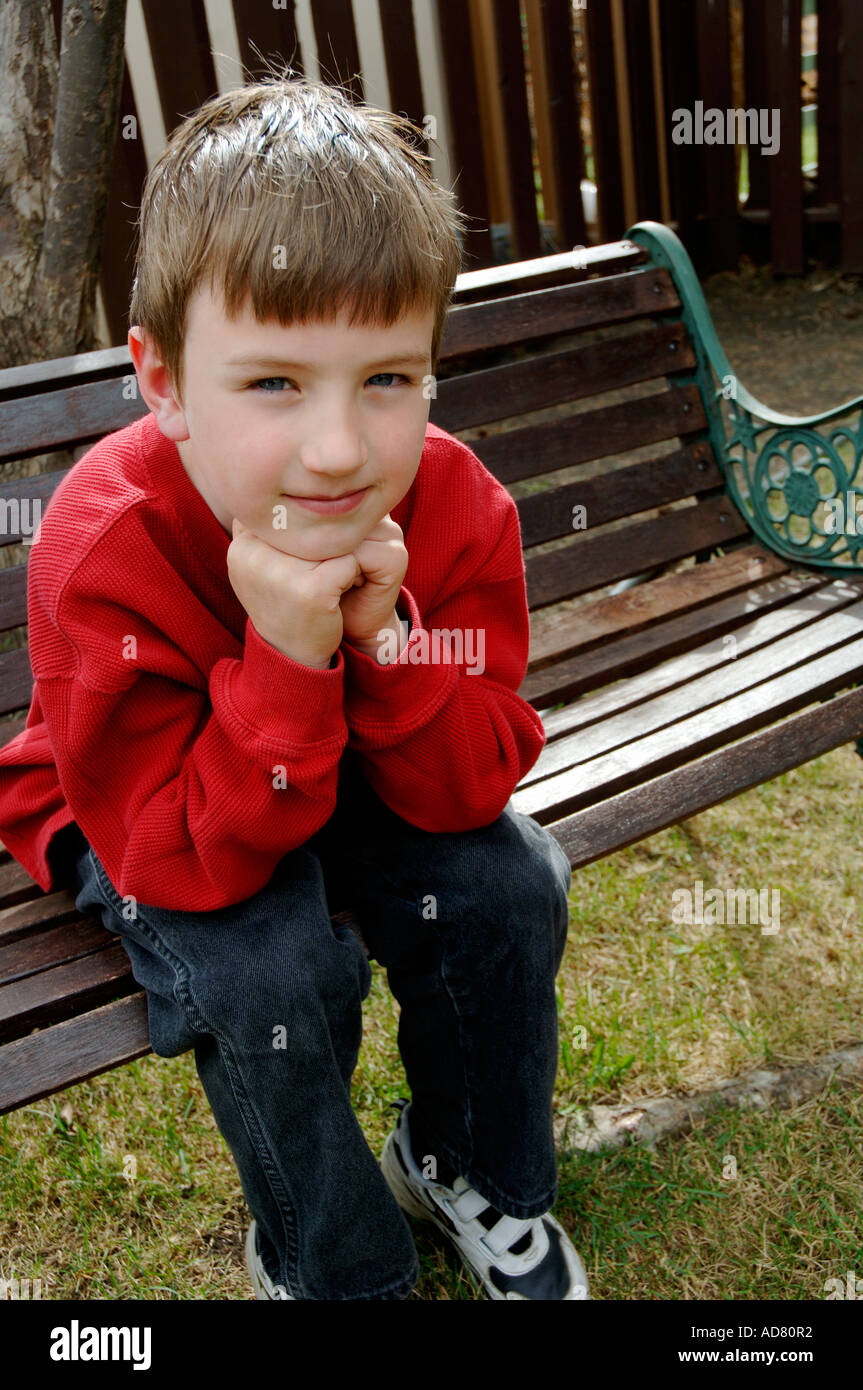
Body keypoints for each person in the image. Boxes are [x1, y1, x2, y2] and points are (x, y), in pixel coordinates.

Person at [0, 71, 589, 1302]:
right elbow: (177, 861)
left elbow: (470, 783)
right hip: (154, 806)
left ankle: (464, 1164)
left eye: (386, 379)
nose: (337, 449)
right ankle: (333, 1263)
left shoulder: (456, 503)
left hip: (349, 763)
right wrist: (278, 660)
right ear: (161, 383)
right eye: (273, 381)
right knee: (270, 965)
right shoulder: (100, 549)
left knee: (507, 879)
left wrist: (380, 641)